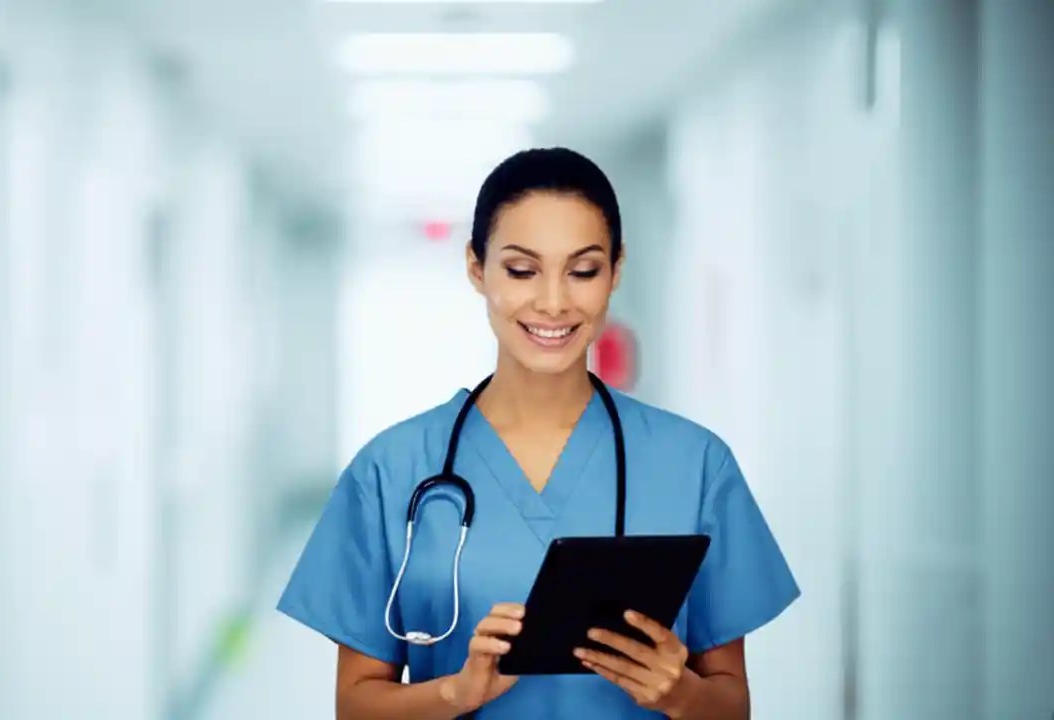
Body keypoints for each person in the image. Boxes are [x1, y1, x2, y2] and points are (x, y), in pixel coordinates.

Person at [276, 147, 799, 719]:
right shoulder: (391, 471)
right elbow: (354, 707)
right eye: (522, 270)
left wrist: (681, 693)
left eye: (583, 270)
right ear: (476, 268)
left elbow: (732, 705)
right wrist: (456, 692)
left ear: (616, 271)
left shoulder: (695, 465)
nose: (553, 302)